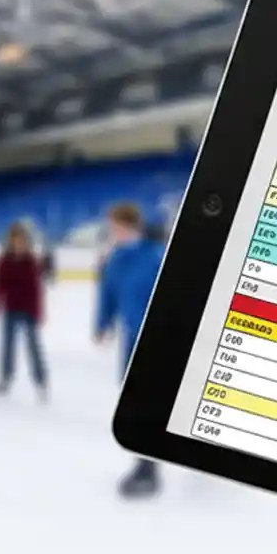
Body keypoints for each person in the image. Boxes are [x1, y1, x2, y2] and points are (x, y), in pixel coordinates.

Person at [94, 202, 164, 499]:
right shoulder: (116, 258)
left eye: (117, 227)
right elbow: (108, 292)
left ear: (131, 226)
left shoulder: (154, 256)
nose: (114, 232)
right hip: (130, 338)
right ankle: (147, 461)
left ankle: (148, 468)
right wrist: (102, 323)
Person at [0, 223, 47, 400]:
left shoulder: (31, 261)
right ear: (10, 241)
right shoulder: (3, 261)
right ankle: (5, 378)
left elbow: (37, 288)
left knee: (33, 346)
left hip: (28, 308)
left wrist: (39, 311)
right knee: (7, 346)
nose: (19, 244)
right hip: (11, 308)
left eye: (22, 241)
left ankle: (40, 381)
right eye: (15, 241)